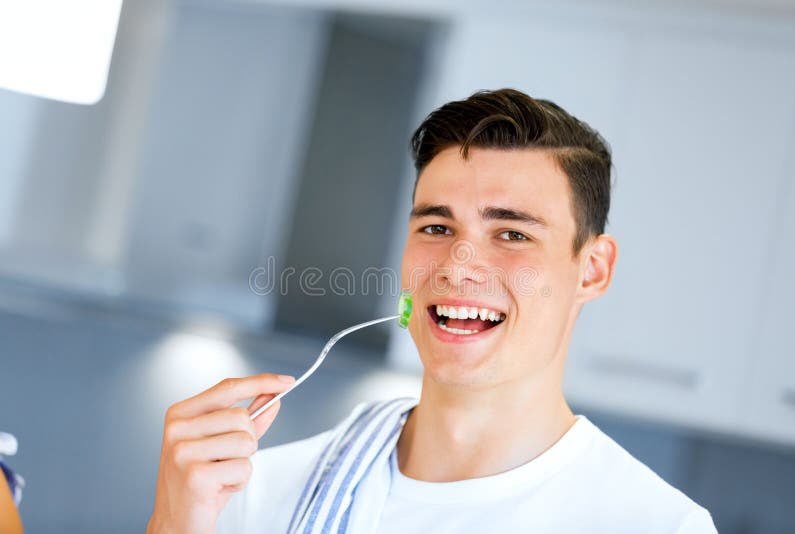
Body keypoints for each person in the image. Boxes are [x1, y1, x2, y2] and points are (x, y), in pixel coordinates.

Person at [146, 88, 717, 533]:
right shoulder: (255, 492)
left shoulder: (657, 526)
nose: (458, 266)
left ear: (591, 270)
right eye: (437, 227)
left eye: (512, 234)